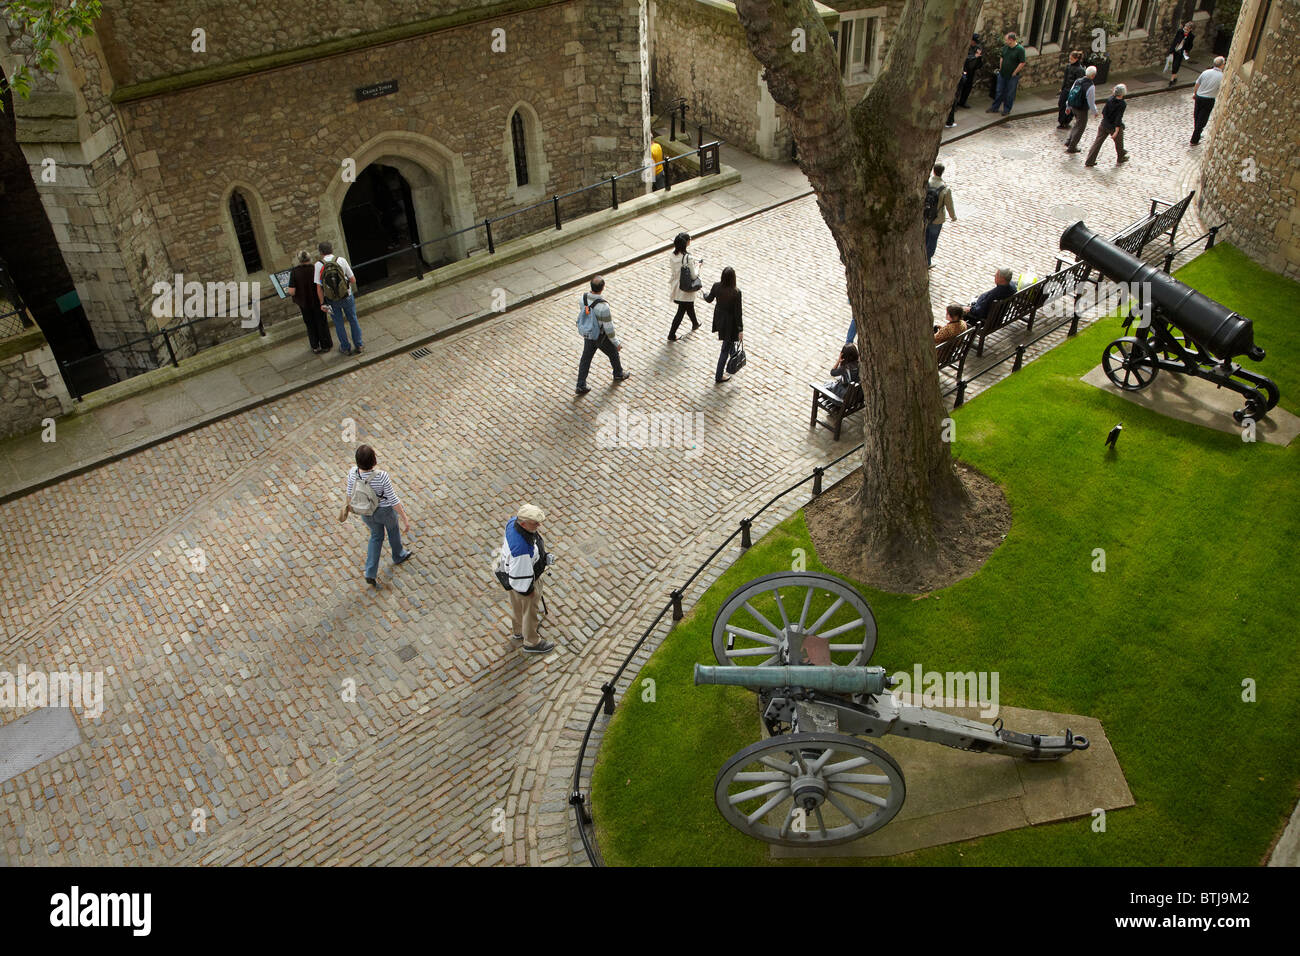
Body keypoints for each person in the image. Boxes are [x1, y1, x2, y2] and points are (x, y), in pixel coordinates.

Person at [340, 444, 411, 587]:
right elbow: (393, 500)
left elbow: (349, 494)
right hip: (385, 512)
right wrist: (404, 518)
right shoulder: (382, 476)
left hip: (366, 512)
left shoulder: (352, 473)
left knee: (376, 536)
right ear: (374, 460)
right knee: (393, 530)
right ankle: (398, 555)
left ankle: (370, 572)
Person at [497, 504, 555, 655]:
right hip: (525, 583)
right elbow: (520, 575)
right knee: (530, 610)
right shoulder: (522, 549)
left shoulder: (513, 523)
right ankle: (531, 641)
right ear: (523, 523)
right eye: (535, 523)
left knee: (517, 606)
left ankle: (518, 631)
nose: (539, 525)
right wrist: (529, 591)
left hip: (509, 576)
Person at [575, 275, 630, 395]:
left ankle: (580, 385)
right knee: (613, 353)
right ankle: (618, 374)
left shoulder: (582, 299)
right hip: (600, 336)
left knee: (586, 359)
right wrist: (617, 343)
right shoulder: (603, 307)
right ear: (602, 288)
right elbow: (609, 328)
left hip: (588, 334)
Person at [314, 241, 362, 356]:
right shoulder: (341, 260)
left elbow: (319, 288)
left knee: (338, 323)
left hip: (331, 300)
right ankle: (359, 345)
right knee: (353, 320)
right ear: (332, 249)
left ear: (321, 252)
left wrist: (322, 303)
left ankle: (345, 347)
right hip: (347, 296)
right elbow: (353, 280)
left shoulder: (318, 265)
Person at [285, 250, 331, 353]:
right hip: (318, 300)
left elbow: (292, 291)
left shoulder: (295, 272)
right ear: (310, 259)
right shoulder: (316, 268)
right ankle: (326, 345)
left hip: (304, 303)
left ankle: (315, 346)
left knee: (310, 324)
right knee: (322, 322)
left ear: (299, 260)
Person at [703, 266, 743, 383]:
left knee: (729, 344)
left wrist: (704, 294)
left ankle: (734, 356)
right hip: (731, 324)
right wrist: (740, 329)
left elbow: (709, 299)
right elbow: (738, 313)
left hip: (720, 321)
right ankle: (719, 375)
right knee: (725, 349)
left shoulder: (716, 286)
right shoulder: (736, 292)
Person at [667, 232, 702, 340]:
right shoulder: (687, 258)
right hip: (685, 288)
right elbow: (693, 275)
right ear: (686, 243)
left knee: (689, 306)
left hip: (677, 286)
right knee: (682, 310)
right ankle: (671, 334)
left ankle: (695, 323)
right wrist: (699, 267)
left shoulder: (672, 256)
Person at [1085, 84, 1130, 167]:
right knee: (1119, 143)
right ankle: (1121, 157)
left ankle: (1089, 161)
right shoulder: (1122, 104)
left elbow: (1104, 112)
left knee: (1097, 143)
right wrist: (1116, 131)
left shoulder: (1110, 99)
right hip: (1113, 127)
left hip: (1104, 124)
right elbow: (1118, 118)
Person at [923, 163, 956, 268]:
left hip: (925, 216)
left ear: (934, 171)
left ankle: (923, 257)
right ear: (942, 172)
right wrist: (953, 217)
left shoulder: (926, 183)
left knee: (925, 237)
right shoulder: (945, 189)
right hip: (937, 219)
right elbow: (949, 205)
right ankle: (927, 261)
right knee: (932, 240)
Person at [987, 32, 1026, 116]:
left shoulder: (1020, 49)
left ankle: (1007, 109)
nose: (1005, 41)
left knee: (1009, 93)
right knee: (999, 91)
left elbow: (1022, 62)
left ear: (1011, 40)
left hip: (1012, 76)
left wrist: (1015, 72)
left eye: (1006, 40)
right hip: (1002, 74)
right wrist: (1001, 68)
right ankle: (995, 107)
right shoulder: (1005, 47)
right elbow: (1002, 57)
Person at [1190, 57, 1225, 146]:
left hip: (1199, 97)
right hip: (1209, 99)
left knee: (1197, 116)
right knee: (1202, 119)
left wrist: (1195, 93)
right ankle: (1194, 139)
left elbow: (1197, 83)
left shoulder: (1205, 72)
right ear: (1222, 65)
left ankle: (1197, 132)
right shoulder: (1222, 76)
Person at [1064, 65, 1098, 154]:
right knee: (1080, 127)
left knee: (1076, 124)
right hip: (1082, 109)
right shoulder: (1090, 86)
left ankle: (1069, 141)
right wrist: (1095, 111)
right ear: (1093, 75)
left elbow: (1071, 93)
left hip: (1074, 106)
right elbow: (1091, 101)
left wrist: (1068, 106)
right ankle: (1072, 146)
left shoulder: (1078, 81)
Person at [1057, 51, 1086, 129]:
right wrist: (1062, 88)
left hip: (1073, 92)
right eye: (1069, 58)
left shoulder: (1080, 70)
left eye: (1071, 59)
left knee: (1069, 107)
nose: (1070, 60)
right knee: (1061, 104)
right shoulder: (1068, 67)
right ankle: (1061, 121)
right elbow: (1065, 79)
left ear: (1076, 59)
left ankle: (1065, 122)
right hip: (1066, 89)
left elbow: (1079, 83)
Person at [955, 35, 982, 109]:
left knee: (968, 87)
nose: (976, 44)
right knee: (959, 87)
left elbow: (980, 57)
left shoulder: (977, 47)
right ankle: (955, 104)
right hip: (964, 69)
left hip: (972, 70)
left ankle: (962, 102)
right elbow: (964, 58)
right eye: (974, 42)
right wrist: (974, 56)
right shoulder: (966, 46)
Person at [1167, 21, 1195, 87]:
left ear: (1190, 30)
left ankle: (1171, 80)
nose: (1185, 30)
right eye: (1184, 28)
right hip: (1175, 50)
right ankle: (1175, 78)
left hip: (1181, 52)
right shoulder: (1180, 32)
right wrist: (1171, 50)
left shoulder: (1191, 36)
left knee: (1176, 65)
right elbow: (1175, 40)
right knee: (1173, 64)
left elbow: (1190, 45)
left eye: (1187, 29)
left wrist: (1186, 51)